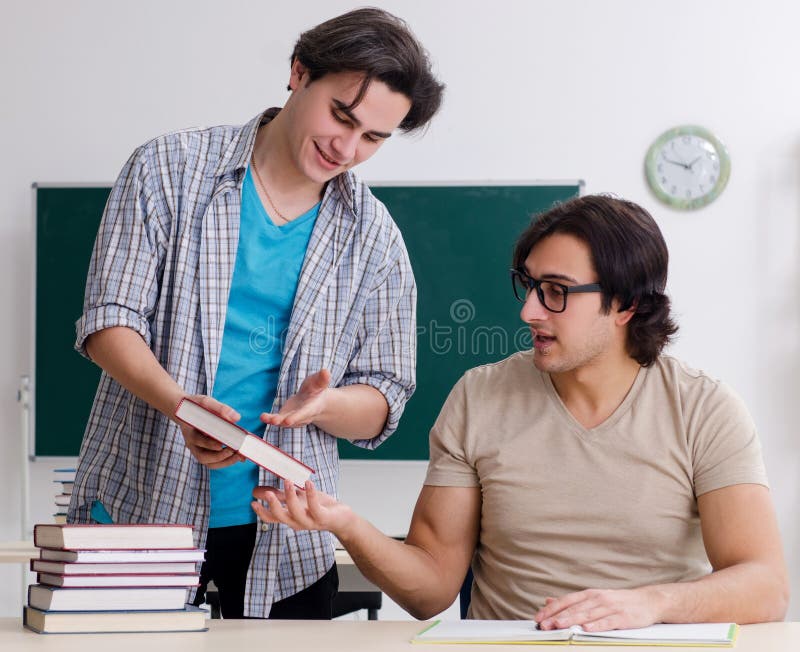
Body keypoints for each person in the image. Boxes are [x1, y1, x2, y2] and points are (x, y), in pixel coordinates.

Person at [253, 194, 789, 629]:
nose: (529, 310)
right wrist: (344, 524)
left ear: (626, 305)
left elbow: (765, 585)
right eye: (529, 285)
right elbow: (431, 590)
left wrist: (650, 605)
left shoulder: (704, 408)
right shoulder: (479, 396)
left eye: (557, 292)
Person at [69, 8, 444, 620]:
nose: (346, 148)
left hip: (286, 537)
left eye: (373, 139)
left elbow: (385, 397)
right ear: (298, 73)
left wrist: (327, 407)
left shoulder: (375, 238)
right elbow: (110, 322)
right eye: (341, 116)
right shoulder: (168, 170)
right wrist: (183, 406)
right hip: (139, 512)